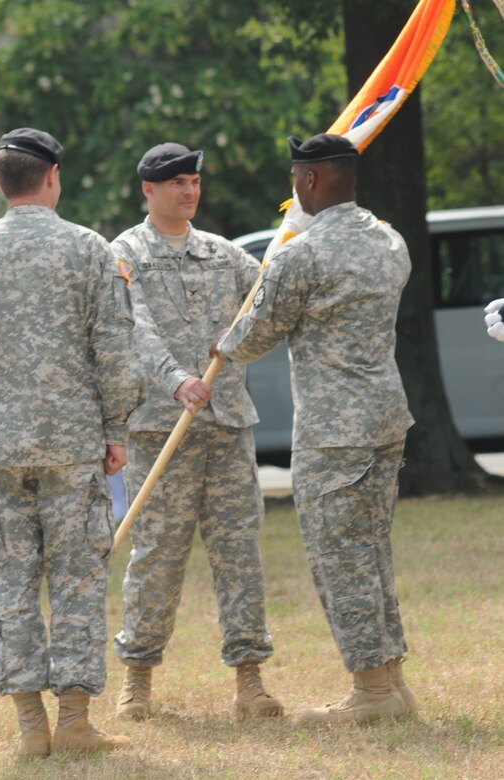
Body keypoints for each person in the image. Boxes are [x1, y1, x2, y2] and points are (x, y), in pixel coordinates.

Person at [211, 132, 418, 723]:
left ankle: (372, 692)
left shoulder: (302, 254)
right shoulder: (390, 239)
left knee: (341, 556)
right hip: (384, 414)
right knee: (373, 551)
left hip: (334, 427)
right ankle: (393, 685)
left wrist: (223, 341)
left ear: (307, 181)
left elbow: (254, 337)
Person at [0, 127, 152, 757]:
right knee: (78, 580)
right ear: (52, 177)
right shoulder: (89, 249)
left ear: (2, 182)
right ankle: (75, 722)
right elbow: (115, 348)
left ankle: (31, 727)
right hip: (74, 445)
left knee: (10, 581)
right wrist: (116, 432)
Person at [112, 142, 283, 721]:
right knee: (157, 554)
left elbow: (267, 302)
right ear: (149, 190)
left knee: (240, 552)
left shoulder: (223, 254)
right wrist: (175, 378)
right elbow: (131, 328)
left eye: (194, 182)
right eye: (177, 183)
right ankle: (137, 678)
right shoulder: (125, 253)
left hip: (227, 425)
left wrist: (243, 340)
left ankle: (250, 680)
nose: (189, 192)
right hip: (161, 429)